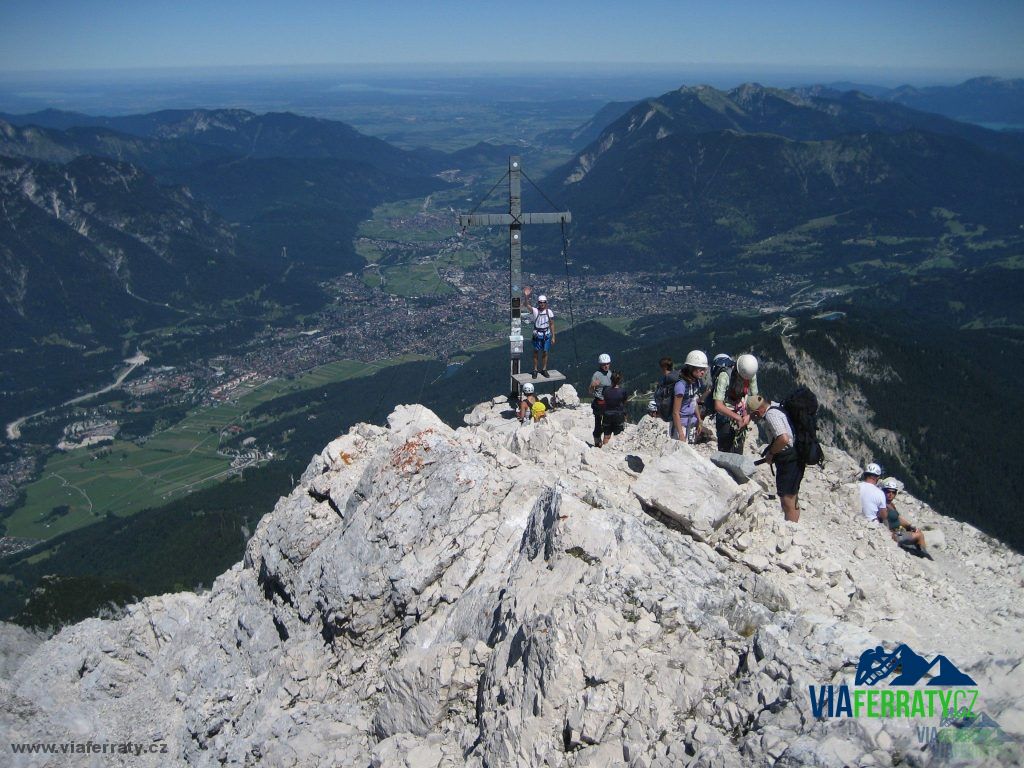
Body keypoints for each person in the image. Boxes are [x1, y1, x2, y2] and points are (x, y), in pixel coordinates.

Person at [748, 394, 803, 522]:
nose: (755, 417)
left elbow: (783, 439)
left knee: (786, 500)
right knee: (793, 496)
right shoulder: (776, 406)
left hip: (788, 459)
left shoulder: (771, 415)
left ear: (759, 410)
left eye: (754, 414)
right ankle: (795, 525)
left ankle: (791, 530)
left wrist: (771, 453)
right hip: (795, 455)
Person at [714, 353, 758, 454]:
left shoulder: (750, 374)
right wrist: (738, 417)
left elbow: (755, 400)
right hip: (725, 414)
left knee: (738, 449)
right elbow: (718, 405)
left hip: (741, 412)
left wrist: (748, 416)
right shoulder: (724, 376)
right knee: (724, 450)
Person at [879, 478, 933, 559]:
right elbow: (884, 521)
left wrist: (909, 526)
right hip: (894, 534)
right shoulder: (883, 505)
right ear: (883, 491)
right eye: (888, 491)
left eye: (893, 492)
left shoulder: (891, 504)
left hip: (898, 531)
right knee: (920, 535)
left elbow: (898, 518)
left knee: (916, 532)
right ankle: (925, 556)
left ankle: (918, 551)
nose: (890, 494)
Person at [672, 350, 708, 442]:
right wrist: (681, 434)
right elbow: (675, 412)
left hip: (691, 423)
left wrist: (699, 420)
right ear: (691, 368)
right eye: (700, 369)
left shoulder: (695, 382)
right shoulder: (681, 385)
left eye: (704, 369)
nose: (703, 372)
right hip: (681, 426)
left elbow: (693, 402)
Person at [523, 286, 555, 378]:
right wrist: (526, 296)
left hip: (546, 334)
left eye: (543, 302)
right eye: (540, 302)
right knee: (536, 352)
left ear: (546, 303)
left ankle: (544, 369)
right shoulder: (535, 311)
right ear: (538, 303)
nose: (541, 304)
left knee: (545, 352)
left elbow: (552, 324)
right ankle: (535, 369)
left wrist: (553, 336)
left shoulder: (549, 312)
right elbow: (526, 305)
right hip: (538, 334)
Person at [589, 353, 613, 448]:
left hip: (608, 402)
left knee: (607, 423)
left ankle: (604, 442)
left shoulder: (610, 373)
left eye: (608, 363)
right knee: (598, 424)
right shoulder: (596, 375)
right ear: (600, 364)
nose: (606, 366)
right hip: (599, 403)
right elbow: (590, 391)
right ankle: (597, 440)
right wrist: (593, 385)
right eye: (604, 364)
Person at [600, 372, 629, 445]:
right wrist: (625, 414)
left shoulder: (605, 390)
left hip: (607, 415)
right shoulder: (622, 391)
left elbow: (604, 400)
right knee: (618, 436)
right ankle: (616, 452)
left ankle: (603, 452)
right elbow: (624, 402)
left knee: (606, 436)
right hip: (618, 416)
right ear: (620, 380)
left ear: (611, 379)